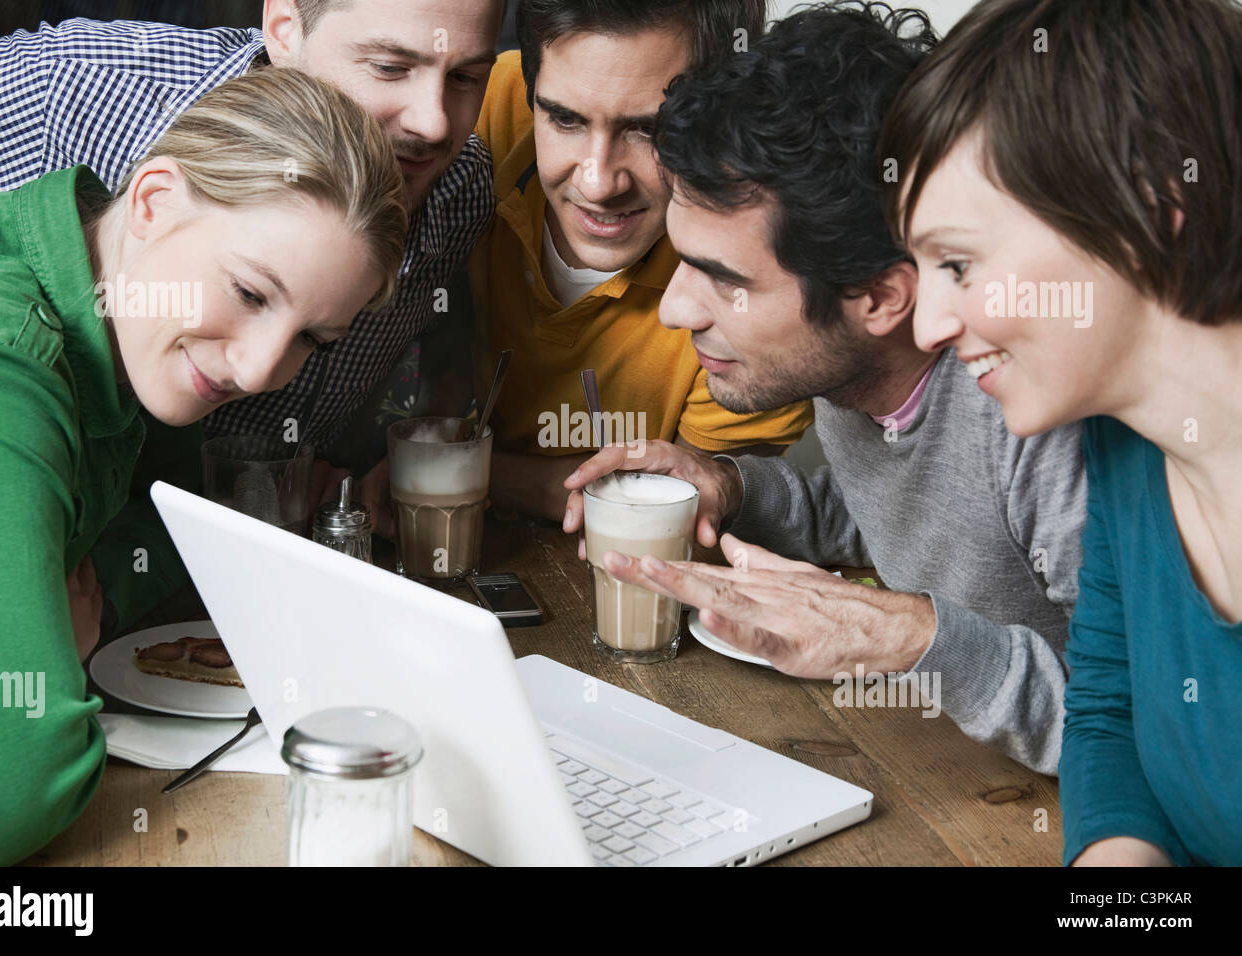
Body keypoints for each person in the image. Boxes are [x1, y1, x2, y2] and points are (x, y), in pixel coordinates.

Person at [562, 2, 1086, 774]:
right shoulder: (853, 375)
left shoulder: (1040, 421)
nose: (676, 310)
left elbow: (1159, 737)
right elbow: (900, 516)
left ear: (879, 299)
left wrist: (913, 638)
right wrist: (732, 487)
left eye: (722, 279)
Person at [0, 68, 406, 866]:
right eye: (251, 293)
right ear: (155, 200)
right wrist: (57, 655)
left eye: (310, 339)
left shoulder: (124, 319)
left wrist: (74, 620)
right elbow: (2, 799)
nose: (260, 371)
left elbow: (161, 531)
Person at [0, 0, 504, 628]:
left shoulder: (458, 191)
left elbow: (185, 496)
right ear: (285, 29)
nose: (433, 123)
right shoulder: (75, 90)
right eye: (389, 66)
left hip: (182, 584)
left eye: (465, 77)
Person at [877, 0, 1242, 865]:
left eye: (958, 263)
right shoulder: (1122, 445)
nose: (927, 324)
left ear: (1151, 206)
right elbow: (1111, 717)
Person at [466, 0, 815, 523]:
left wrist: (468, 469)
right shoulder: (468, 109)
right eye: (564, 119)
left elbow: (681, 509)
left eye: (649, 130)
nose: (598, 182)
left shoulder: (773, 271)